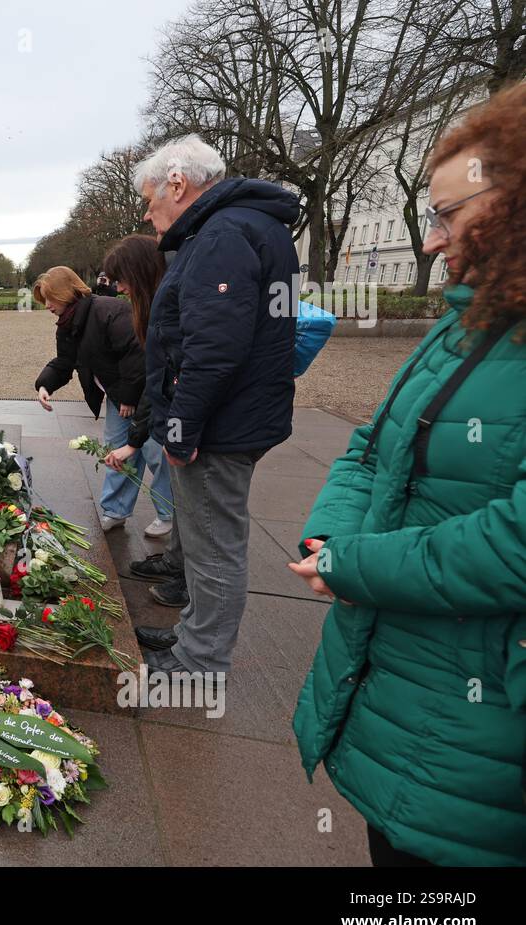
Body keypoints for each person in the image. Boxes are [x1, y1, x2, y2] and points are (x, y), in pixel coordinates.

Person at [289, 84, 526, 867]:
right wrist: (331, 535)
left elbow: (513, 543)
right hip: (405, 688)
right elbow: (371, 445)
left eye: (449, 215)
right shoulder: (467, 323)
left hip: (482, 731)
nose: (431, 241)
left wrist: (355, 564)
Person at [132, 134, 298, 676]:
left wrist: (180, 427)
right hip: (239, 415)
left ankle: (199, 661)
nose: (151, 217)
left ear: (177, 183)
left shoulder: (223, 233)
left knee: (213, 548)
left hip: (221, 426)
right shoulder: (248, 225)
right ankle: (191, 637)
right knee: (207, 542)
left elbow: (215, 347)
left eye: (151, 201)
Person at [33, 266, 168, 532]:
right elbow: (65, 361)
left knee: (154, 453)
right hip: (120, 396)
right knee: (116, 451)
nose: (47, 305)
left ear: (67, 292)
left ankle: (169, 514)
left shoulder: (108, 311)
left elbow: (138, 354)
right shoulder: (68, 322)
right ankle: (115, 510)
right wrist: (45, 384)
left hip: (143, 395)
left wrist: (129, 397)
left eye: (50, 298)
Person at [100, 235, 185, 613]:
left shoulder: (170, 309)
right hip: (173, 411)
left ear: (141, 272)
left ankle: (191, 598)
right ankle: (177, 564)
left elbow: (161, 380)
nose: (118, 288)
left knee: (202, 511)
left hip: (197, 418)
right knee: (186, 495)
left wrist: (134, 441)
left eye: (122, 279)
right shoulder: (154, 307)